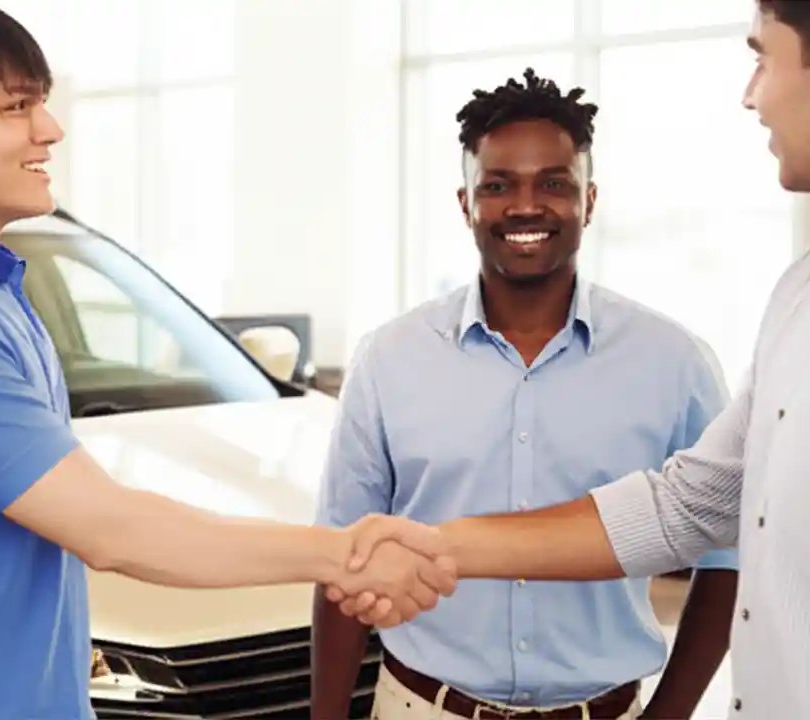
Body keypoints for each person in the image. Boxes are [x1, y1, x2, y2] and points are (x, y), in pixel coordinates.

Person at [0, 2, 455, 718]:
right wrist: (340, 555)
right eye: (17, 106)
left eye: (42, 103)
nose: (49, 129)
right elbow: (112, 531)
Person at [336, 2, 810, 718]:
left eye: (762, 58)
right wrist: (435, 546)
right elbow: (692, 504)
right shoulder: (808, 291)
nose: (751, 95)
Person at [311, 69, 738, 720]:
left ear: (589, 200)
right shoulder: (388, 359)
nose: (526, 206)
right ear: (466, 203)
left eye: (554, 184)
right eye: (499, 185)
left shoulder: (674, 363)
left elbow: (728, 556)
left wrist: (669, 715)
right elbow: (343, 559)